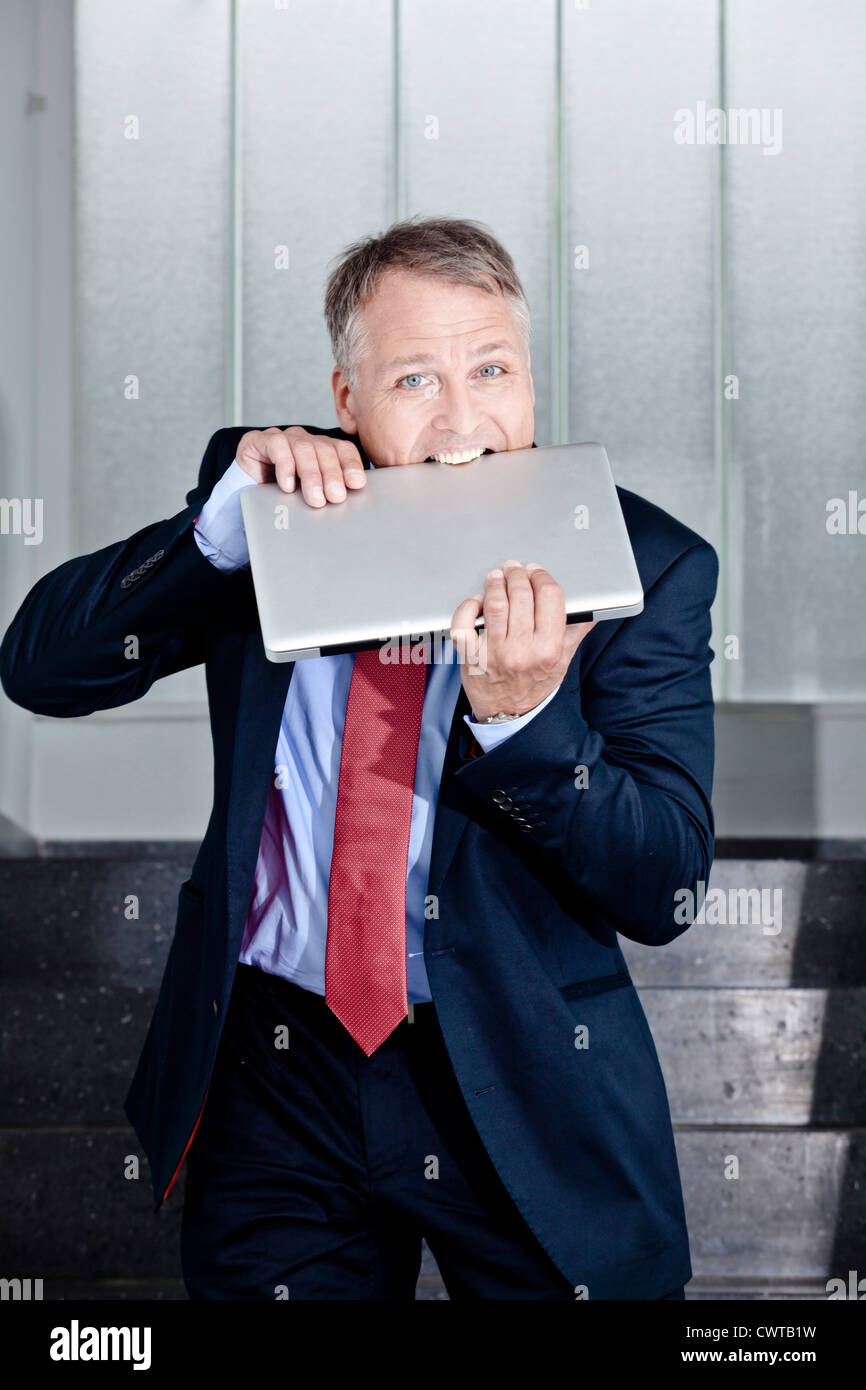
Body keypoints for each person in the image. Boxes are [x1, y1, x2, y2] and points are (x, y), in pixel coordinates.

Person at [0, 216, 716, 1300]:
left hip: (518, 1063)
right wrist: (215, 538)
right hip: (277, 1071)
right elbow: (41, 670)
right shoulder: (277, 504)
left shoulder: (644, 565)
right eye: (414, 380)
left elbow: (662, 882)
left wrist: (527, 727)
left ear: (531, 376)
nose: (462, 420)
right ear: (345, 399)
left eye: (490, 370)